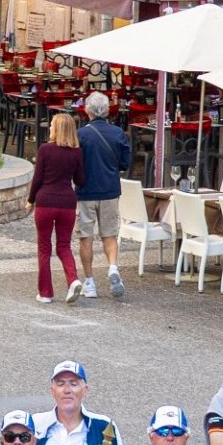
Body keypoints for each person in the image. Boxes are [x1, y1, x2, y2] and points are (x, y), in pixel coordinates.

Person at [71, 89, 133, 300]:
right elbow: (125, 163)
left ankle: (89, 282)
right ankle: (113, 267)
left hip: (86, 191)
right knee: (110, 235)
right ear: (107, 111)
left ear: (87, 111)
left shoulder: (81, 135)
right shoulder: (118, 133)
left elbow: (75, 164)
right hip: (110, 190)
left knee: (86, 237)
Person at [28, 110, 86, 303]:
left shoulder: (45, 150)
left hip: (45, 202)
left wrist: (30, 200)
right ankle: (73, 280)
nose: (50, 128)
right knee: (64, 246)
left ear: (57, 129)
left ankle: (45, 293)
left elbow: (37, 179)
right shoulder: (77, 152)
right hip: (67, 203)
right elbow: (80, 180)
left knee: (44, 247)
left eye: (52, 125)